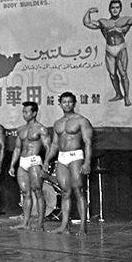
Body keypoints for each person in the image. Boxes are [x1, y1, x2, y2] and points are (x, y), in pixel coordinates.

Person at [42, 92, 93, 235]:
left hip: (76, 155)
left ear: (74, 103)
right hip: (62, 157)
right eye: (64, 102)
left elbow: (88, 142)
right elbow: (54, 145)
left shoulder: (81, 120)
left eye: (70, 102)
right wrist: (47, 160)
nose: (67, 104)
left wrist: (87, 162)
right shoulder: (58, 123)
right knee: (65, 192)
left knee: (78, 190)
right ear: (60, 104)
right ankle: (64, 226)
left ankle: (83, 226)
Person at [84, 0, 132, 106]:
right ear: (109, 9)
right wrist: (89, 12)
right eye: (113, 8)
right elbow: (87, 23)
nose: (115, 10)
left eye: (117, 7)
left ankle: (127, 97)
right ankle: (118, 94)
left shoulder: (126, 20)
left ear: (120, 9)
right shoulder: (104, 22)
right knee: (112, 75)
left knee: (123, 74)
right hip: (109, 49)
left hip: (121, 48)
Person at [8, 101, 51, 231]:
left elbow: (48, 147)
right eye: (23, 112)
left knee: (38, 192)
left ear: (34, 113)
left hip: (34, 161)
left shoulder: (41, 128)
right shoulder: (21, 129)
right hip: (22, 162)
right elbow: (17, 148)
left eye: (27, 112)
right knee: (25, 193)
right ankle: (25, 223)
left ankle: (40, 223)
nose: (24, 114)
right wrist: (12, 165)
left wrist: (46, 163)